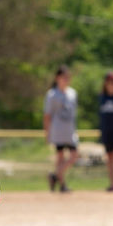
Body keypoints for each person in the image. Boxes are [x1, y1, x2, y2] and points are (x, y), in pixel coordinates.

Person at [43, 65, 79, 193]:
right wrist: (47, 133)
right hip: (57, 130)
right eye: (64, 77)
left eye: (68, 77)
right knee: (60, 157)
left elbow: (73, 114)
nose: (66, 80)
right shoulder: (52, 94)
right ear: (57, 78)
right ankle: (62, 184)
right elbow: (47, 115)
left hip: (70, 131)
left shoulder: (72, 93)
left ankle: (54, 175)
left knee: (74, 155)